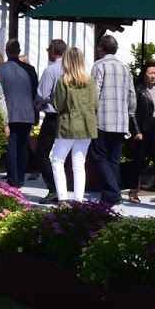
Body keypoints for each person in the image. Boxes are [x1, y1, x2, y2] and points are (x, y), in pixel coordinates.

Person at [89, 34, 137, 206]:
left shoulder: (99, 65)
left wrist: (91, 114)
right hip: (121, 120)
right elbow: (132, 95)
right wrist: (129, 113)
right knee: (113, 160)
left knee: (98, 157)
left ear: (101, 48)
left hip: (103, 118)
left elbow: (94, 93)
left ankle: (113, 192)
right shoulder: (125, 68)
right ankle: (109, 195)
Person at [49, 46, 99, 203]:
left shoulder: (63, 80)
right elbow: (95, 104)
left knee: (57, 160)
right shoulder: (90, 80)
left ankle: (63, 199)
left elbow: (57, 105)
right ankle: (78, 200)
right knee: (79, 164)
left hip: (68, 124)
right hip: (87, 124)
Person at [126, 62, 155, 207]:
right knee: (138, 161)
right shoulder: (139, 90)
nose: (153, 76)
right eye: (150, 73)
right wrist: (136, 131)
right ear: (144, 74)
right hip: (143, 128)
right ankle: (133, 191)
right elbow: (132, 112)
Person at [0, 40, 38, 188]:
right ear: (19, 51)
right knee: (22, 147)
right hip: (26, 112)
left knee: (11, 147)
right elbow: (35, 92)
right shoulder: (30, 69)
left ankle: (13, 179)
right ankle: (19, 179)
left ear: (7, 51)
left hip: (8, 112)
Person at [34, 38, 67, 201]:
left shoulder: (51, 70)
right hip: (69, 116)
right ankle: (63, 187)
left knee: (42, 153)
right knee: (64, 155)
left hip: (53, 116)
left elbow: (42, 94)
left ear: (53, 50)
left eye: (48, 50)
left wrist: (37, 105)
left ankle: (53, 187)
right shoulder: (72, 68)